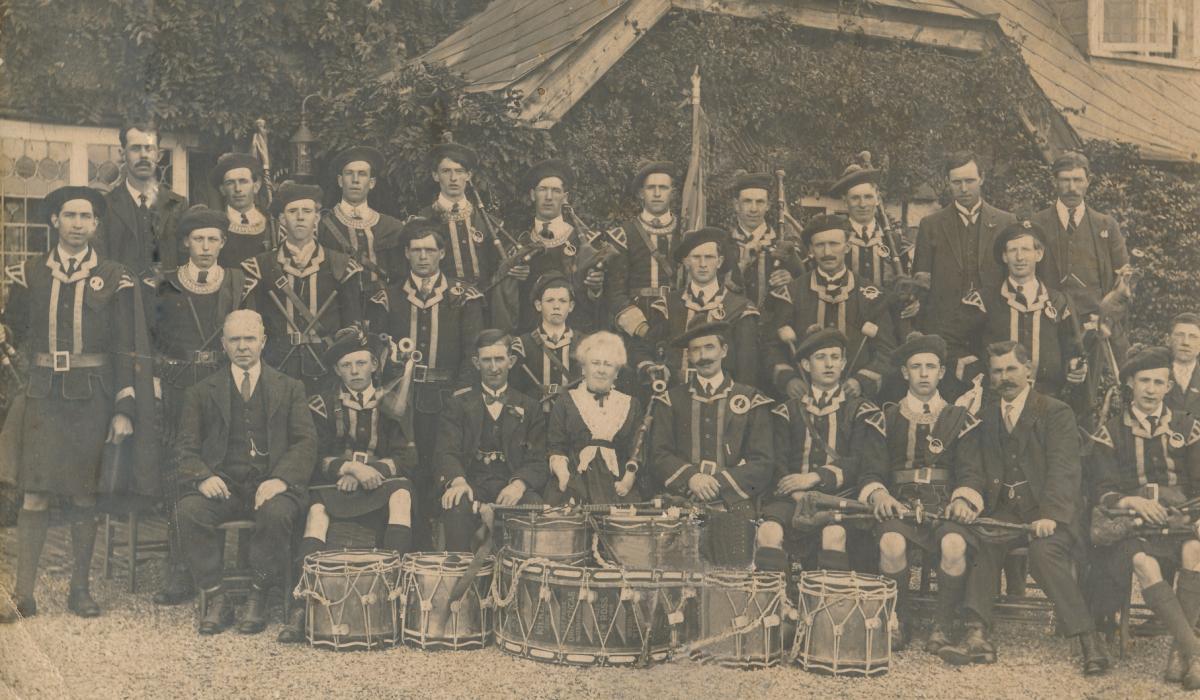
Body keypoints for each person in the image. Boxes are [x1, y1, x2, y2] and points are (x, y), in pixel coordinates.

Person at [0, 186, 137, 623]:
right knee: (35, 493)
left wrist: (122, 407)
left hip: (91, 397)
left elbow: (126, 347)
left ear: (96, 225)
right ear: (54, 221)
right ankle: (23, 594)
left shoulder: (114, 276)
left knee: (82, 495)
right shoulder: (30, 273)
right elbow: (15, 334)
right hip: (41, 395)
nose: (78, 223)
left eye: (87, 216)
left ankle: (80, 589)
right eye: (70, 215)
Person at [942, 340, 1108, 675]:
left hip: (1048, 511)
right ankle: (977, 631)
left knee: (1045, 554)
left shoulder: (1055, 411)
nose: (1005, 377)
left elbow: (1065, 469)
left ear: (1028, 370)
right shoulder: (985, 415)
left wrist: (1050, 515)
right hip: (1004, 511)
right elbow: (971, 467)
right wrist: (966, 498)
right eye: (997, 371)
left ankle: (1087, 637)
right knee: (982, 540)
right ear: (990, 376)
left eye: (1011, 369)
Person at [174, 309, 317, 635]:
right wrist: (203, 476)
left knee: (278, 513)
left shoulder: (290, 387)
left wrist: (280, 479)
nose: (242, 347)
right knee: (190, 510)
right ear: (223, 344)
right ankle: (216, 596)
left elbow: (306, 442)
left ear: (263, 342)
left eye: (249, 339)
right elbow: (184, 448)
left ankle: (258, 594)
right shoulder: (201, 391)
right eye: (235, 340)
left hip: (270, 484)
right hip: (224, 485)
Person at [277, 327, 417, 643]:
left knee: (403, 497)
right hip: (335, 484)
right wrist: (349, 468)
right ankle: (303, 605)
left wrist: (369, 472)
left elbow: (407, 458)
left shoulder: (394, 402)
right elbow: (312, 454)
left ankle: (393, 599)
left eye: (361, 363)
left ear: (374, 365)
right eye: (346, 366)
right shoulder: (321, 404)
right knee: (315, 513)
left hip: (382, 483)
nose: (354, 372)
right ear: (337, 370)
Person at [145, 205, 250, 606]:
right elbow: (150, 337)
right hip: (177, 386)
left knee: (224, 463)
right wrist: (155, 380)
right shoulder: (165, 283)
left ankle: (222, 564)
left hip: (224, 387)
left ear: (223, 243)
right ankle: (179, 569)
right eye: (198, 239)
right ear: (186, 242)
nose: (205, 247)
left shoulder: (239, 282)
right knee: (179, 472)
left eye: (213, 239)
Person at [857, 333, 981, 652]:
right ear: (904, 374)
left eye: (931, 366)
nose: (924, 373)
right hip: (899, 504)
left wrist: (963, 498)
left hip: (944, 505)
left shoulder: (959, 419)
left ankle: (942, 623)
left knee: (954, 545)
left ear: (942, 372)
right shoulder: (885, 418)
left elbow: (970, 469)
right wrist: (880, 495)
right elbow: (870, 471)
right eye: (916, 367)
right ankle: (898, 619)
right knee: (891, 542)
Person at [1087, 345, 1200, 686]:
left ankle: (1180, 654)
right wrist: (1133, 502)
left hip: (1178, 521)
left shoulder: (1187, 427)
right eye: (1144, 382)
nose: (1151, 389)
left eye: (1158, 382)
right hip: (1129, 527)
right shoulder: (1111, 430)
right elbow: (1101, 490)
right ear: (1131, 385)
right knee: (1144, 564)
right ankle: (1193, 651)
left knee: (1195, 552)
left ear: (1168, 386)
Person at [381, 217, 485, 547]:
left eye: (430, 250)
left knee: (445, 461)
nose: (423, 256)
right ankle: (414, 543)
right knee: (410, 465)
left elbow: (473, 350)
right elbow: (378, 346)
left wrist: (462, 395)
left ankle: (447, 545)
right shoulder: (389, 296)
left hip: (447, 395)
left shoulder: (464, 296)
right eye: (416, 250)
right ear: (407, 255)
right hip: (404, 398)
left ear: (442, 253)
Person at [755, 328, 886, 573]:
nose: (829, 364)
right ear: (805, 364)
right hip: (792, 498)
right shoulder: (787, 411)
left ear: (844, 363)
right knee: (768, 531)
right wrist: (798, 495)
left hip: (840, 498)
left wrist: (814, 478)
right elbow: (777, 462)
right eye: (820, 357)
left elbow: (859, 461)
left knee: (834, 534)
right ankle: (772, 605)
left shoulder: (861, 410)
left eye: (835, 357)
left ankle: (826, 608)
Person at [651, 321, 775, 565]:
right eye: (695, 350)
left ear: (724, 351)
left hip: (733, 503)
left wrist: (719, 483)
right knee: (676, 570)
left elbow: (763, 462)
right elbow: (659, 454)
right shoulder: (671, 400)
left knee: (732, 576)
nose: (703, 356)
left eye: (709, 348)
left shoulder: (750, 399)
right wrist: (692, 478)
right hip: (682, 500)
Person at [1031, 151, 1131, 425]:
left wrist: (1107, 316)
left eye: (1078, 180)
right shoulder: (1036, 223)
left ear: (1088, 182)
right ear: (1054, 182)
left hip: (1094, 327)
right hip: (1049, 326)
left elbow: (1124, 282)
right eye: (1065, 180)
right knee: (1048, 399)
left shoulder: (1105, 225)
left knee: (1093, 404)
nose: (1071, 187)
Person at [912, 151, 1017, 398]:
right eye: (956, 182)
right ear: (948, 183)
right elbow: (921, 285)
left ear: (981, 179)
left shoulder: (1005, 221)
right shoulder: (931, 225)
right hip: (946, 331)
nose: (963, 188)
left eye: (969, 181)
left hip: (992, 330)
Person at [241, 182, 363, 392]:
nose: (300, 217)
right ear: (281, 219)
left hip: (326, 369)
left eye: (307, 211)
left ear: (316, 218)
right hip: (275, 367)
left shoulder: (341, 265)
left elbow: (353, 323)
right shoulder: (260, 267)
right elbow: (251, 324)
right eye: (292, 211)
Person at [435, 329, 546, 551]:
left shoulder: (530, 406)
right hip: (471, 483)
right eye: (486, 360)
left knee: (534, 507)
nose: (493, 368)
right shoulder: (458, 404)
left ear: (511, 361)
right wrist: (457, 481)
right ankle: (461, 579)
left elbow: (538, 458)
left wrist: (519, 484)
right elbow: (446, 451)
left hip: (510, 484)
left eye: (499, 359)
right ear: (476, 363)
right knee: (456, 503)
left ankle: (523, 579)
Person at [766, 214, 896, 401]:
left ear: (848, 246)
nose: (827, 252)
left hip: (855, 401)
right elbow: (771, 346)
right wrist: (789, 380)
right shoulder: (791, 294)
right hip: (804, 399)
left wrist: (861, 381)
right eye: (819, 245)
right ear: (810, 250)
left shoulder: (872, 296)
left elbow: (887, 350)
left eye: (834, 244)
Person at [960, 220, 1086, 401]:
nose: (1020, 257)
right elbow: (959, 346)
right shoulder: (983, 301)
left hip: (1048, 400)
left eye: (1026, 250)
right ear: (1004, 256)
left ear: (1039, 254)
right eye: (1013, 250)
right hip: (996, 401)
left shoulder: (1059, 301)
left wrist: (1075, 366)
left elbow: (1072, 349)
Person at [634, 227, 760, 391]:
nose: (702, 265)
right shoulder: (667, 305)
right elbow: (643, 348)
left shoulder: (740, 308)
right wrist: (651, 367)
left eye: (709, 257)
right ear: (686, 262)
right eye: (696, 257)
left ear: (719, 262)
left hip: (723, 400)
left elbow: (747, 371)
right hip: (673, 397)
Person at [546, 331, 644, 506]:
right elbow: (556, 446)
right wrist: (563, 474)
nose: (600, 370)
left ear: (616, 372)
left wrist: (629, 478)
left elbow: (637, 448)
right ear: (584, 368)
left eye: (608, 364)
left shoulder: (630, 404)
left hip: (618, 483)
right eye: (595, 363)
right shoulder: (567, 400)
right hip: (575, 481)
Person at [513, 159, 605, 333]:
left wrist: (596, 288)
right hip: (531, 336)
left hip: (576, 332)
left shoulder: (585, 243)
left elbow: (600, 297)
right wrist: (514, 279)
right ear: (533, 195)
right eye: (543, 190)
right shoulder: (521, 242)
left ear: (565, 197)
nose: (549, 197)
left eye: (556, 191)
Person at [97, 122, 188, 275]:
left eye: (149, 148)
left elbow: (186, 262)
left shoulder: (177, 204)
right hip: (122, 296)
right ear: (122, 154)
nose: (143, 155)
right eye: (135, 148)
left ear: (158, 155)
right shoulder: (106, 205)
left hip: (165, 296)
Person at [319, 146, 405, 305]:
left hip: (382, 308)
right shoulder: (321, 225)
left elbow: (400, 277)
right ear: (340, 180)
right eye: (349, 173)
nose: (355, 180)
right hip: (336, 307)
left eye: (362, 174)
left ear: (371, 183)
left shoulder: (392, 227)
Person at [608, 161, 682, 340]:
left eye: (663, 188)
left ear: (672, 193)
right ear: (641, 193)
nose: (657, 194)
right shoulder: (623, 234)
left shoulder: (685, 232)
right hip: (636, 324)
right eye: (651, 188)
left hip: (677, 318)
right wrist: (640, 328)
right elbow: (615, 291)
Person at [725, 172, 803, 309]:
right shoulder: (723, 245)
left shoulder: (784, 246)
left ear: (768, 206)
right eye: (747, 201)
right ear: (736, 205)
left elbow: (805, 291)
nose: (754, 209)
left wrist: (791, 282)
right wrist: (742, 265)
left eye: (760, 202)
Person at [511, 272, 582, 412]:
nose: (556, 306)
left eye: (563, 301)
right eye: (550, 300)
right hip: (536, 422)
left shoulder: (584, 343)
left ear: (571, 306)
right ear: (538, 305)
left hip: (573, 421)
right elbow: (515, 391)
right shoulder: (522, 345)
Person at [211, 153, 275, 268]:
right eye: (230, 183)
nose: (238, 189)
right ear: (222, 189)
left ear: (256, 185)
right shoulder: (214, 225)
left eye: (243, 181)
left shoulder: (272, 225)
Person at [1167, 312, 1200, 418]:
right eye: (1180, 335)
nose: (1186, 342)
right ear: (1168, 340)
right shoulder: (1154, 374)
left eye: (1193, 337)